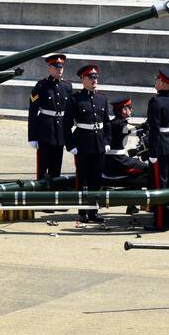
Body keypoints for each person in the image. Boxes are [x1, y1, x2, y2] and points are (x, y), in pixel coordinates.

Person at [144, 67, 169, 230]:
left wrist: (152, 153)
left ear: (161, 82)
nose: (155, 82)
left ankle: (160, 222)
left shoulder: (155, 102)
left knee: (160, 185)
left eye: (157, 80)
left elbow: (154, 130)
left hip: (160, 148)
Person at [69, 63, 110, 224]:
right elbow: (66, 125)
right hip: (82, 143)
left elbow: (106, 123)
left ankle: (93, 211)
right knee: (83, 179)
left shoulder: (102, 98)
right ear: (83, 79)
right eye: (91, 77)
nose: (94, 80)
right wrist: (71, 145)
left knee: (96, 179)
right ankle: (83, 212)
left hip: (99, 143)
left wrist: (107, 141)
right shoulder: (75, 99)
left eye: (96, 77)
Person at [28, 53, 72, 181]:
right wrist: (32, 137)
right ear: (50, 68)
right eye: (56, 67)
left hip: (60, 131)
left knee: (56, 165)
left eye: (61, 67)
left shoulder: (67, 87)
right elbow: (33, 112)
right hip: (45, 130)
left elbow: (69, 113)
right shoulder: (41, 86)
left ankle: (54, 190)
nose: (59, 70)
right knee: (42, 165)